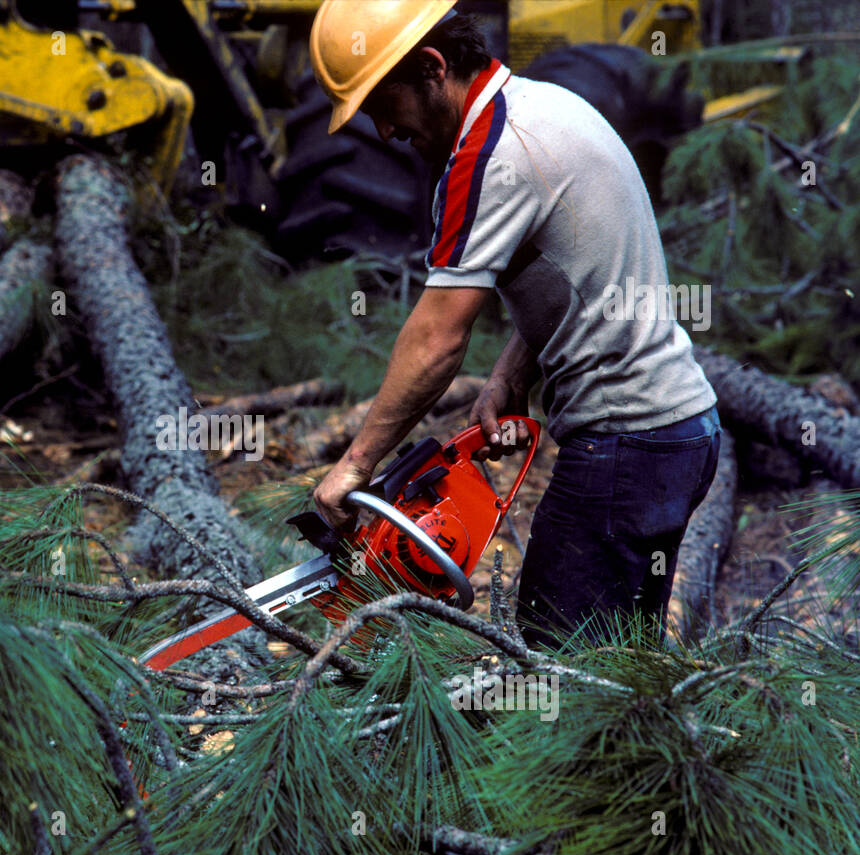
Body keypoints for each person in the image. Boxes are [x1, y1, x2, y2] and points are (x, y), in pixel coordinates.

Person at [308, 0, 721, 648]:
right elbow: (576, 270)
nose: (384, 131)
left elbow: (438, 338)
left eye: (383, 105)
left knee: (555, 668)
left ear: (431, 67)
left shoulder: (492, 151)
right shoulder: (539, 108)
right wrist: (509, 374)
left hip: (627, 444)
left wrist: (355, 465)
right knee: (619, 676)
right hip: (676, 433)